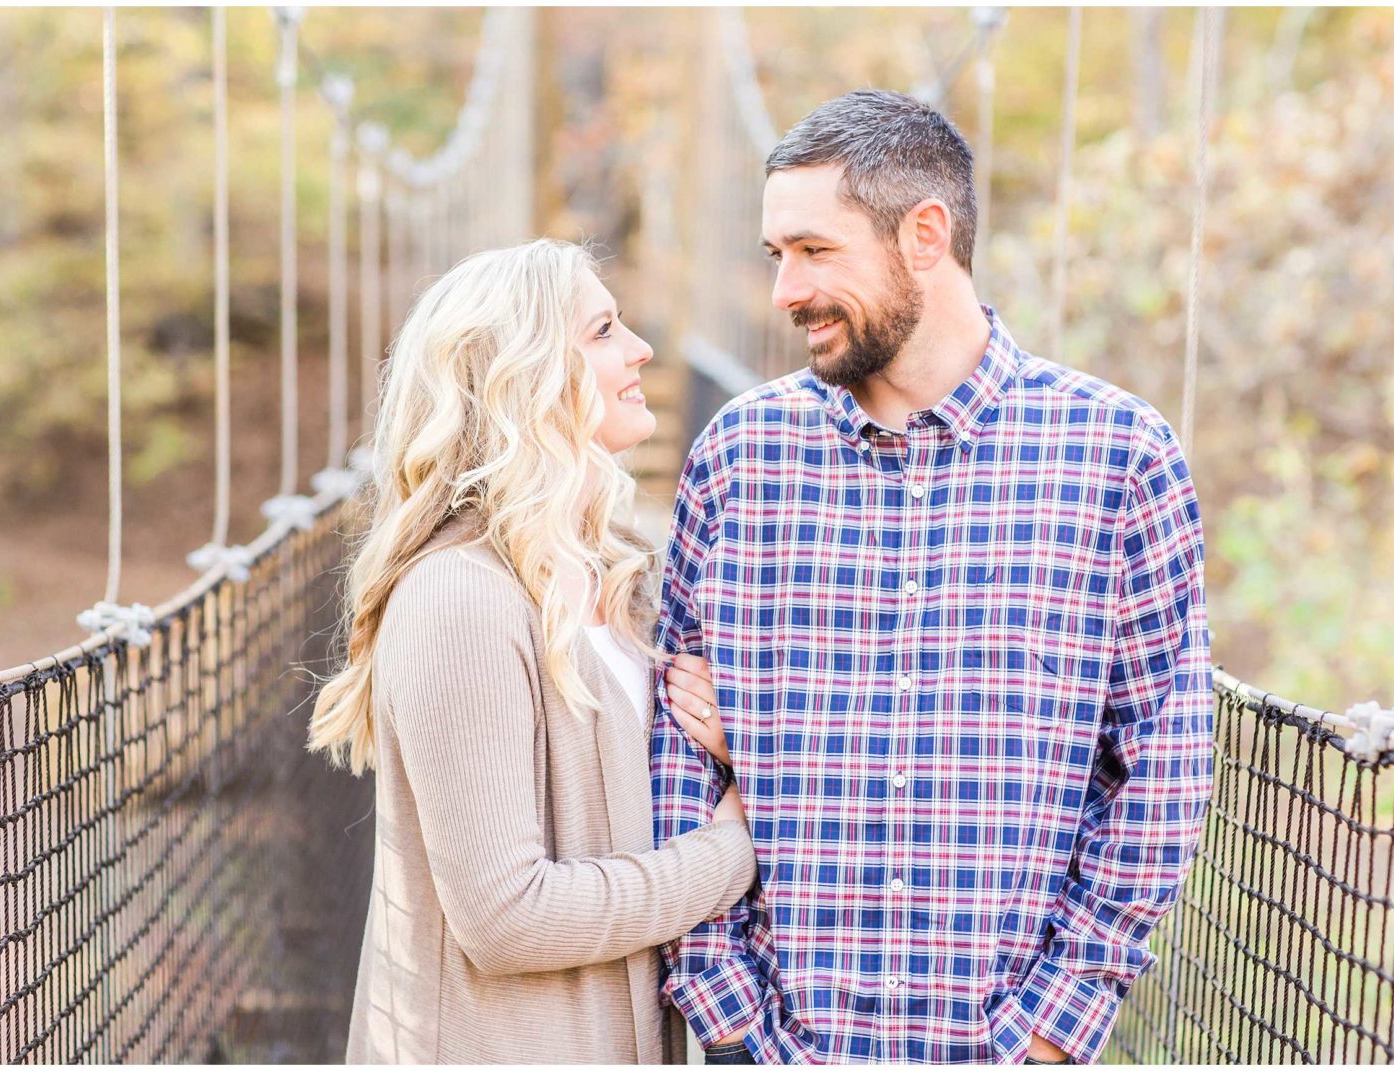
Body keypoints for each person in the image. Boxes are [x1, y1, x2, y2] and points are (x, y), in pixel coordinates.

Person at [652, 90, 1215, 1065]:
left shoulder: (1117, 456)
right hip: (775, 1045)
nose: (784, 291)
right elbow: (676, 750)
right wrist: (730, 1015)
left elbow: (1163, 761)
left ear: (924, 234)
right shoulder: (738, 457)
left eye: (814, 251)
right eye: (774, 255)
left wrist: (1051, 1028)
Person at [309, 239, 758, 1064]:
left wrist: (741, 756)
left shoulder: (618, 580)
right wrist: (734, 848)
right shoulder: (460, 598)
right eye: (603, 330)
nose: (641, 350)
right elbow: (507, 917)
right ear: (524, 374)